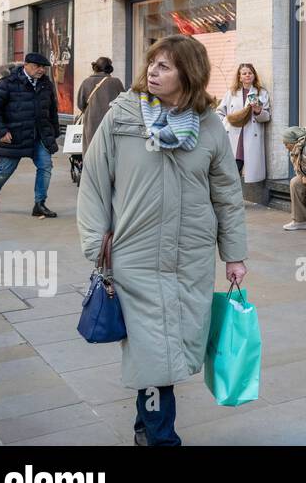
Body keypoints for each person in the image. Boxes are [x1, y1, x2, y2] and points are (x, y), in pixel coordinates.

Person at [77, 34, 247, 446]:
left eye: (164, 66)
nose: (152, 71)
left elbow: (226, 193)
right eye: (152, 63)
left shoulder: (208, 124)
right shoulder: (122, 117)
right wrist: (95, 244)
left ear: (188, 74)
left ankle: (144, 421)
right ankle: (160, 436)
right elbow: (94, 184)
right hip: (133, 254)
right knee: (153, 351)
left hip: (190, 256)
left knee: (174, 345)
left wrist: (234, 255)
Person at [0, 53, 61, 219]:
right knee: (4, 171)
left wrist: (54, 132)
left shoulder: (46, 84)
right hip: (15, 135)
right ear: (25, 65)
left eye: (43, 67)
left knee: (45, 166)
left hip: (39, 135)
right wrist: (1, 131)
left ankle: (39, 204)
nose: (41, 70)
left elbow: (52, 110)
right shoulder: (8, 82)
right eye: (36, 66)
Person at [217, 63, 271, 183]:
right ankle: (232, 198)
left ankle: (234, 198)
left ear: (254, 75)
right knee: (232, 170)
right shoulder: (231, 92)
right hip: (233, 134)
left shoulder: (261, 93)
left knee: (241, 170)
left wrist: (257, 110)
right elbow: (220, 112)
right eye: (244, 73)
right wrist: (224, 124)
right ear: (239, 77)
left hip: (250, 135)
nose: (247, 75)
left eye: (250, 73)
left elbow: (267, 117)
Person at [75, 57, 125, 154]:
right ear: (109, 68)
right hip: (111, 122)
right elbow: (124, 103)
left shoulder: (86, 82)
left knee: (91, 151)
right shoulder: (116, 82)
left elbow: (80, 104)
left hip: (91, 122)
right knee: (110, 151)